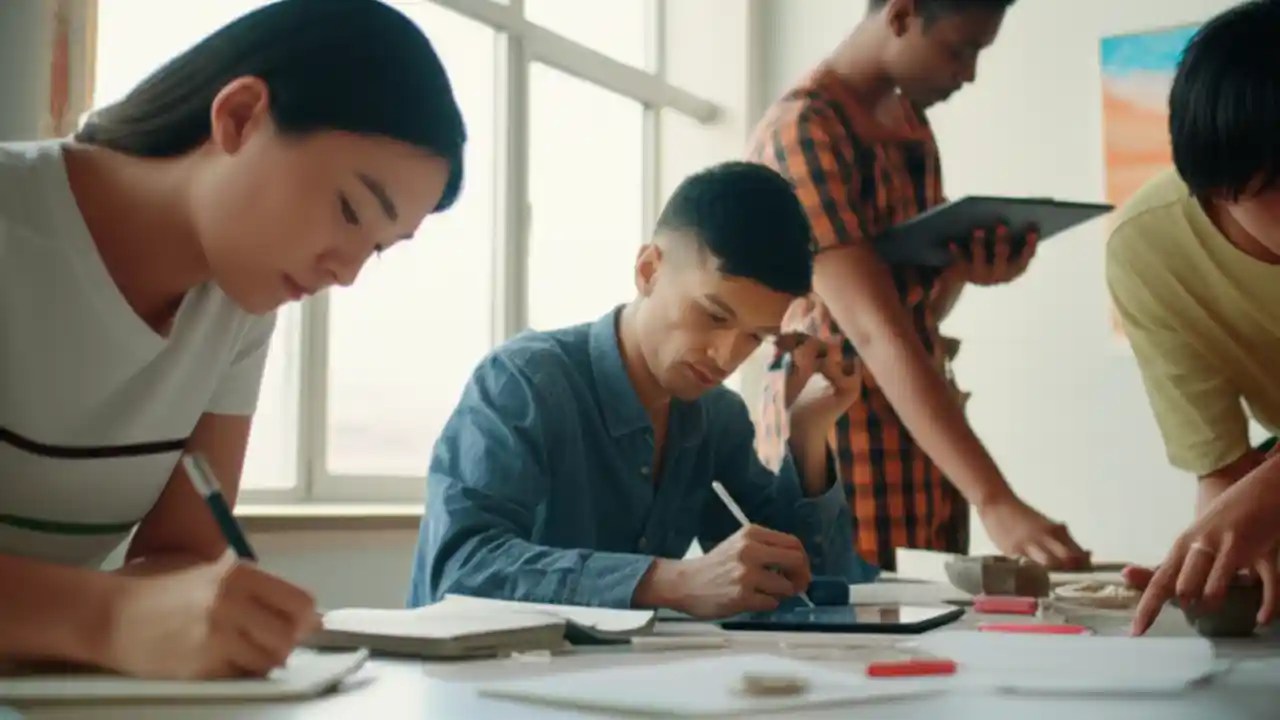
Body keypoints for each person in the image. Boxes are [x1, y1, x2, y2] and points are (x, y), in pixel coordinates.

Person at [0, 0, 465, 679]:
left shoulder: (237, 305)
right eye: (348, 210)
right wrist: (108, 618)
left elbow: (182, 555)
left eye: (378, 248)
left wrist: (215, 613)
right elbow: (127, 609)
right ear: (240, 116)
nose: (347, 272)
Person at [408, 162, 879, 620]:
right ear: (649, 269)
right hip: (480, 686)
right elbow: (459, 568)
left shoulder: (718, 417)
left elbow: (810, 585)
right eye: (713, 316)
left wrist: (807, 431)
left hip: (622, 684)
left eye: (755, 336)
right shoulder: (523, 382)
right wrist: (673, 582)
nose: (725, 356)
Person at [746, 0, 1087, 571]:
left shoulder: (911, 129)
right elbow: (874, 331)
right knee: (854, 629)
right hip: (839, 428)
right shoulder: (803, 131)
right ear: (902, 16)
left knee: (937, 631)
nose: (968, 73)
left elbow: (915, 313)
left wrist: (961, 270)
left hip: (921, 431)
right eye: (961, 49)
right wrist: (996, 499)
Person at [1102, 0, 1280, 635]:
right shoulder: (1151, 252)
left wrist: (1263, 497)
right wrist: (1216, 561)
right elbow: (1223, 468)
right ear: (1219, 180)